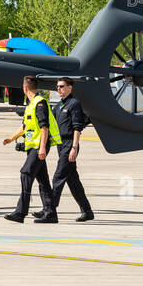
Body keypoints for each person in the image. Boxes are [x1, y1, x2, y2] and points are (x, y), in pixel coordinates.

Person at [1, 75, 61, 223]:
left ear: (25, 88)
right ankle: (50, 213)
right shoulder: (31, 105)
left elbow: (44, 127)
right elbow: (24, 127)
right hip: (33, 147)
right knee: (43, 180)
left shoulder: (40, 103)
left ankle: (20, 212)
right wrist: (11, 138)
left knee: (26, 174)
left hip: (39, 147)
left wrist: (42, 148)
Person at [43, 77, 94, 222]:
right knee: (73, 181)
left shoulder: (74, 104)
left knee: (58, 177)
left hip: (70, 144)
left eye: (61, 86)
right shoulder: (58, 106)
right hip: (61, 145)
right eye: (57, 87)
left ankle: (49, 210)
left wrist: (74, 147)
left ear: (70, 87)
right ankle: (87, 211)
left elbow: (77, 127)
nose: (58, 89)